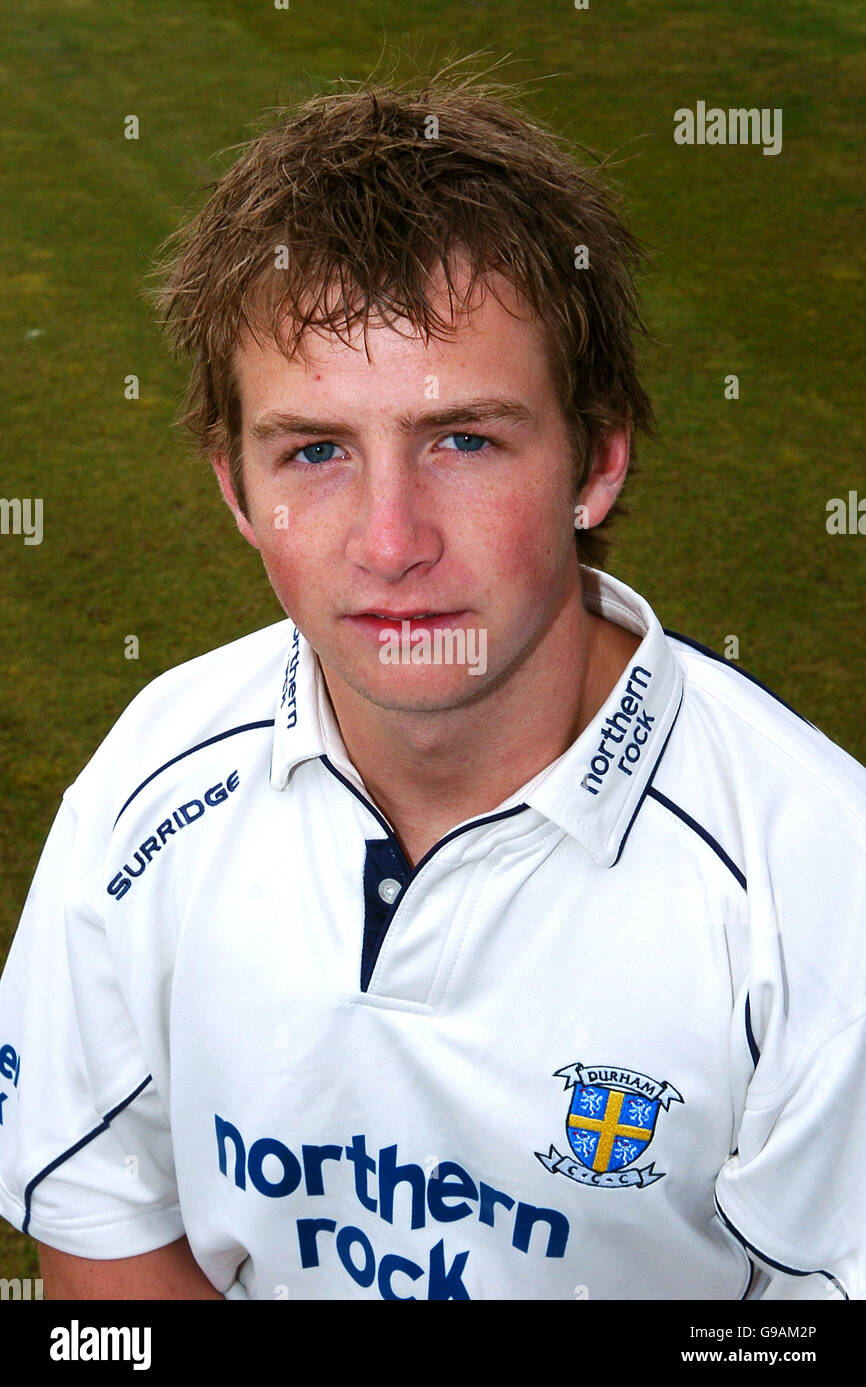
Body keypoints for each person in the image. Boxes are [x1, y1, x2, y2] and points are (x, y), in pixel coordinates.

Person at [1, 72, 864, 1303]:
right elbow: (105, 1220)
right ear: (235, 489)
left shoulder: (822, 891)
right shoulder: (151, 782)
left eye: (463, 439)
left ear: (596, 460)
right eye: (314, 451)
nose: (389, 541)